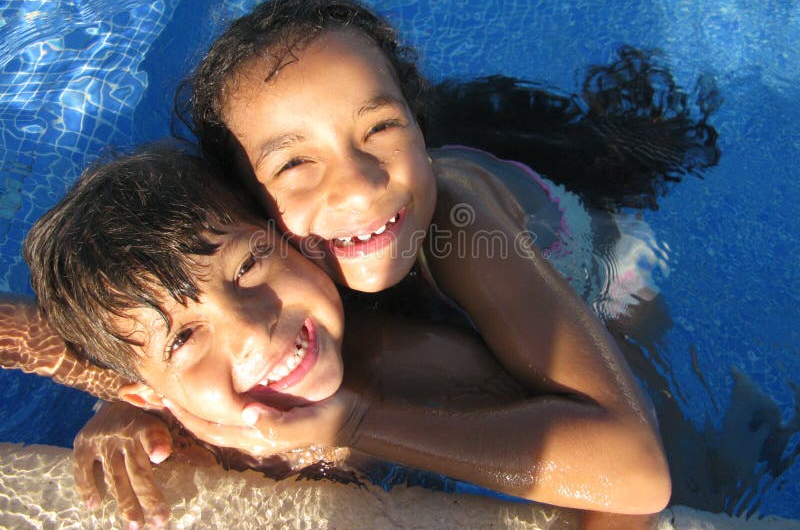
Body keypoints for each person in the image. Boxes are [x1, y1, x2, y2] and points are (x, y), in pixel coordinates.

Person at [24, 146, 669, 529]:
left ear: (294, 244)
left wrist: (357, 423)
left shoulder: (401, 366)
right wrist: (114, 406)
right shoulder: (146, 397)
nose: (252, 329)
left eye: (248, 265)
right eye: (185, 339)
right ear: (146, 391)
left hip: (553, 243)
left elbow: (623, 465)